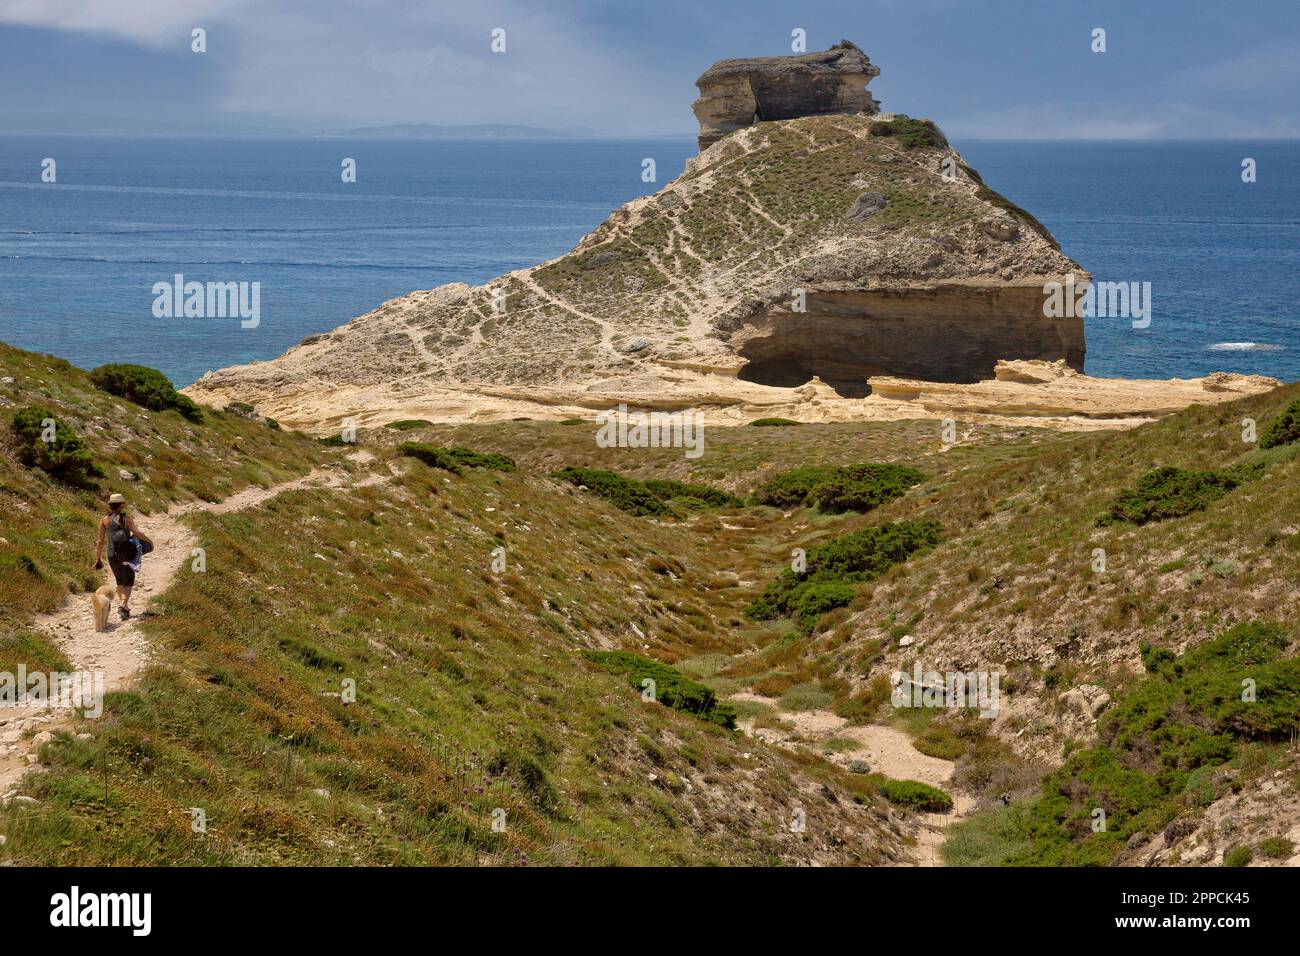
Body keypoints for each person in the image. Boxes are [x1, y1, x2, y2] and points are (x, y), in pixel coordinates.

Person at [93, 493, 153, 621]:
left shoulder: (104, 520)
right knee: (128, 581)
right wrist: (150, 542)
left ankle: (124, 608)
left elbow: (100, 541)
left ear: (110, 506)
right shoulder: (127, 519)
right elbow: (137, 533)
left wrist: (98, 559)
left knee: (119, 581)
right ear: (122, 505)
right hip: (126, 554)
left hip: (111, 555)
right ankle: (123, 605)